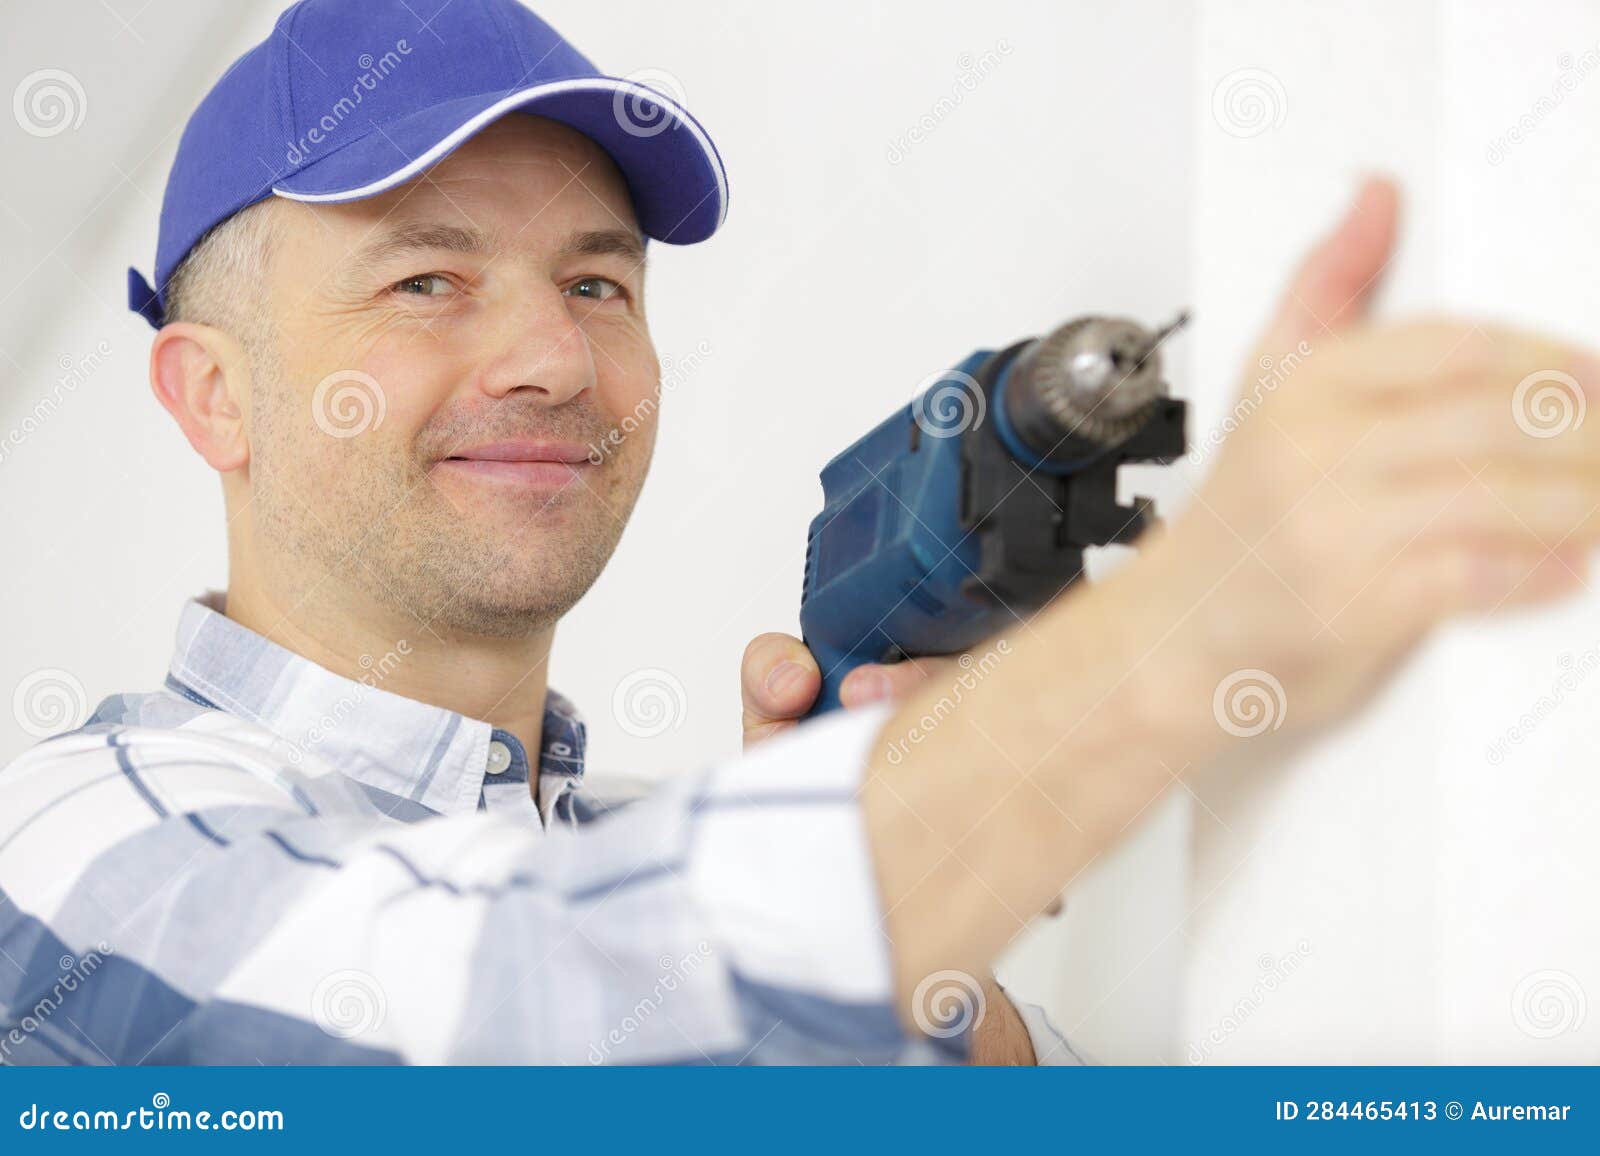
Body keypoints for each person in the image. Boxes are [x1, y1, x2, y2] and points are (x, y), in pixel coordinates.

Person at [3, 0, 1597, 1065]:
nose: (554, 357)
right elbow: (512, 1021)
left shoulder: (632, 854)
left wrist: (918, 912)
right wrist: (1201, 629)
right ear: (213, 397)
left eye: (597, 280)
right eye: (427, 280)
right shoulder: (71, 850)